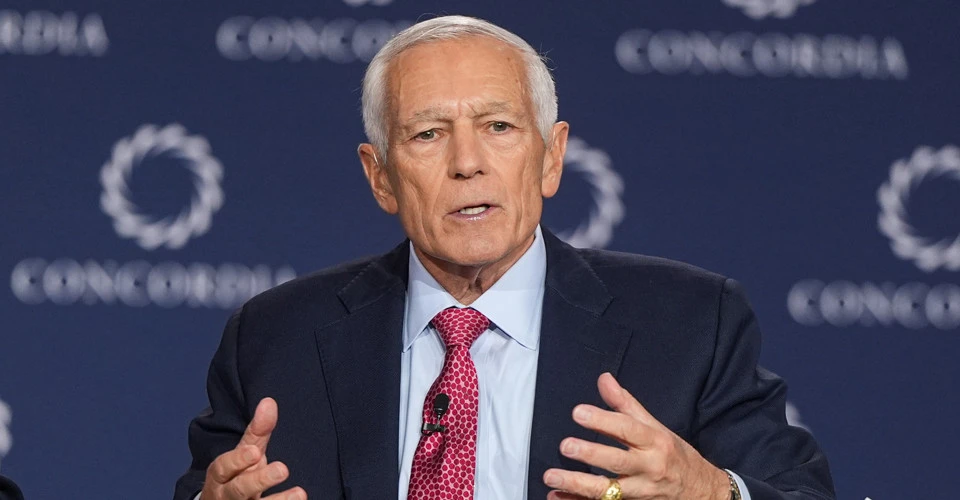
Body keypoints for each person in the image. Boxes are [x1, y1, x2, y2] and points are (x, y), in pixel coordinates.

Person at [174, 15, 834, 500]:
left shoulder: (690, 324)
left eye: (499, 127)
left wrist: (710, 491)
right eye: (428, 134)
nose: (467, 163)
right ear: (380, 177)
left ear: (551, 157)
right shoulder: (276, 337)